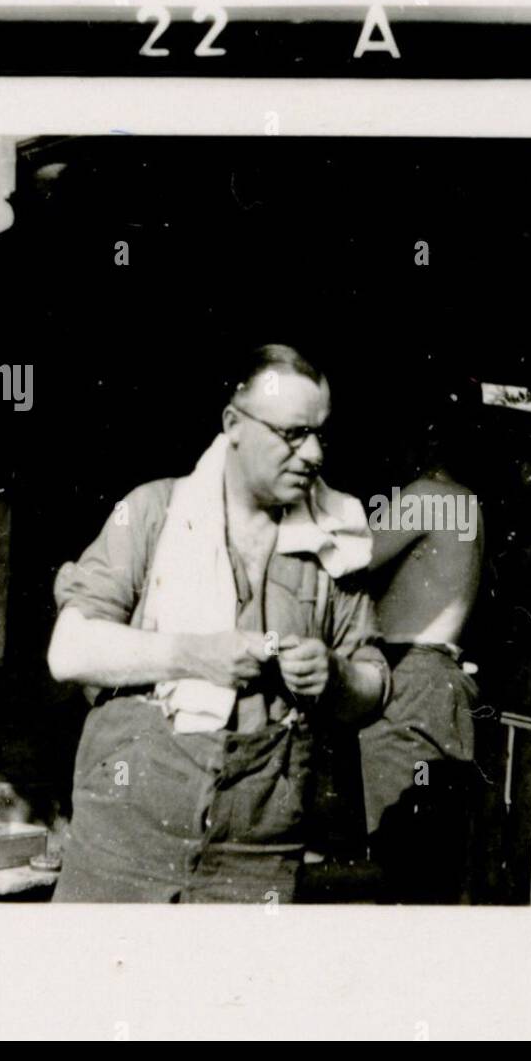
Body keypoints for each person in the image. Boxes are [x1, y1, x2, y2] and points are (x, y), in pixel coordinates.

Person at [47, 344, 389, 903]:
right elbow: (69, 651)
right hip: (124, 840)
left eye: (321, 434)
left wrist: (335, 676)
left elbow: (373, 688)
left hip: (255, 853)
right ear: (234, 424)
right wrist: (192, 655)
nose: (314, 453)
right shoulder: (153, 512)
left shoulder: (335, 542)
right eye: (293, 433)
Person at [359, 407, 485, 903]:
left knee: (393, 849)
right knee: (430, 853)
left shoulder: (428, 496)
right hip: (441, 676)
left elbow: (352, 555)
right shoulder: (468, 503)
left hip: (410, 674)